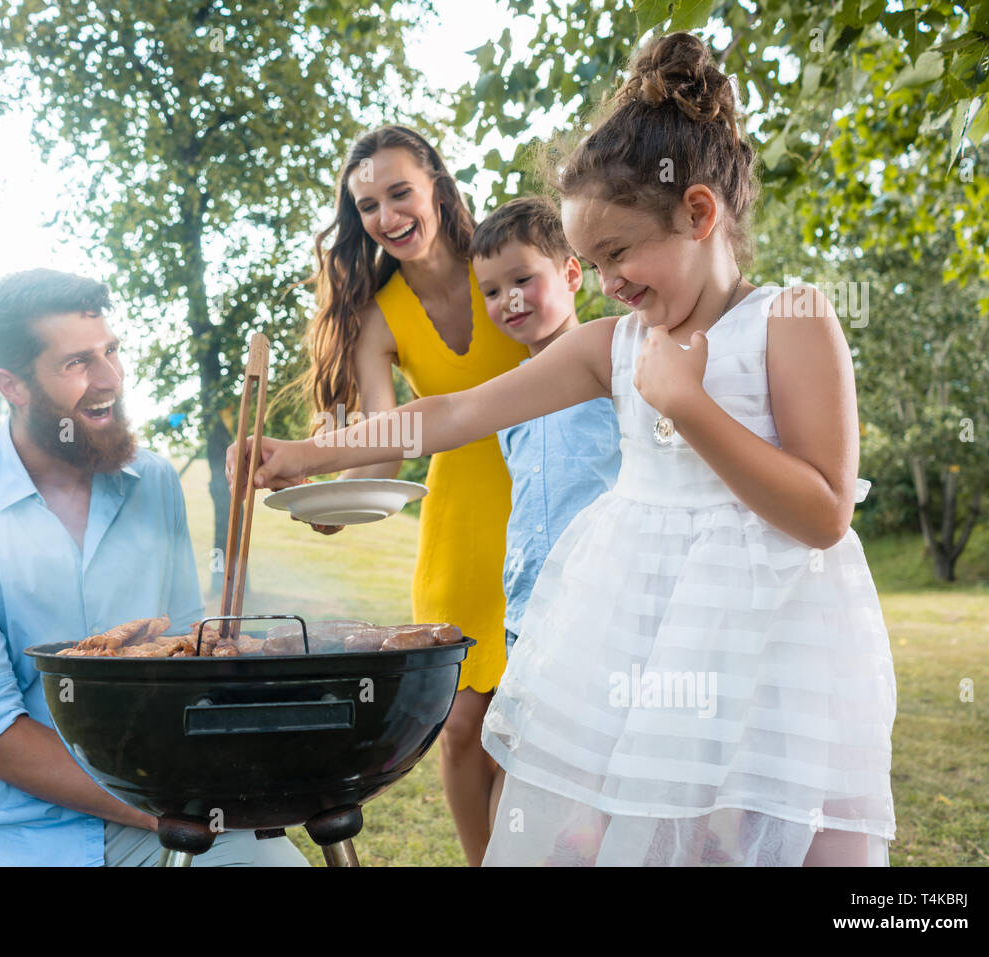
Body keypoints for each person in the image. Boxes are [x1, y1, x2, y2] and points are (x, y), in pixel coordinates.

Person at [229, 32, 896, 866]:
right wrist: (306, 455)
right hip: (634, 633)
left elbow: (824, 512)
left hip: (770, 639)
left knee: (779, 836)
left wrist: (686, 403)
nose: (608, 282)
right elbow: (452, 413)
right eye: (589, 261)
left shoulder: (791, 320)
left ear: (698, 212)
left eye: (618, 254)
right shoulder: (610, 346)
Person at [0, 268, 307, 867]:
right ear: (12, 385)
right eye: (75, 363)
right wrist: (167, 809)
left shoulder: (156, 480)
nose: (110, 379)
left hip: (161, 801)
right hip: (2, 830)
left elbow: (183, 646)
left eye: (111, 351)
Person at [281, 125, 529, 864]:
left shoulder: (504, 255)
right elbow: (385, 435)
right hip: (460, 519)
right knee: (460, 723)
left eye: (398, 193)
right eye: (366, 205)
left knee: (535, 723)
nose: (386, 217)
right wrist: (333, 496)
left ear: (437, 189)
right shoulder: (378, 312)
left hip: (545, 498)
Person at [469, 196, 621, 827]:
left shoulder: (612, 363)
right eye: (492, 290)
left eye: (523, 279)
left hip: (603, 613)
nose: (509, 300)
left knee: (600, 782)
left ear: (571, 273)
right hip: (530, 618)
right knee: (522, 772)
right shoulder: (513, 401)